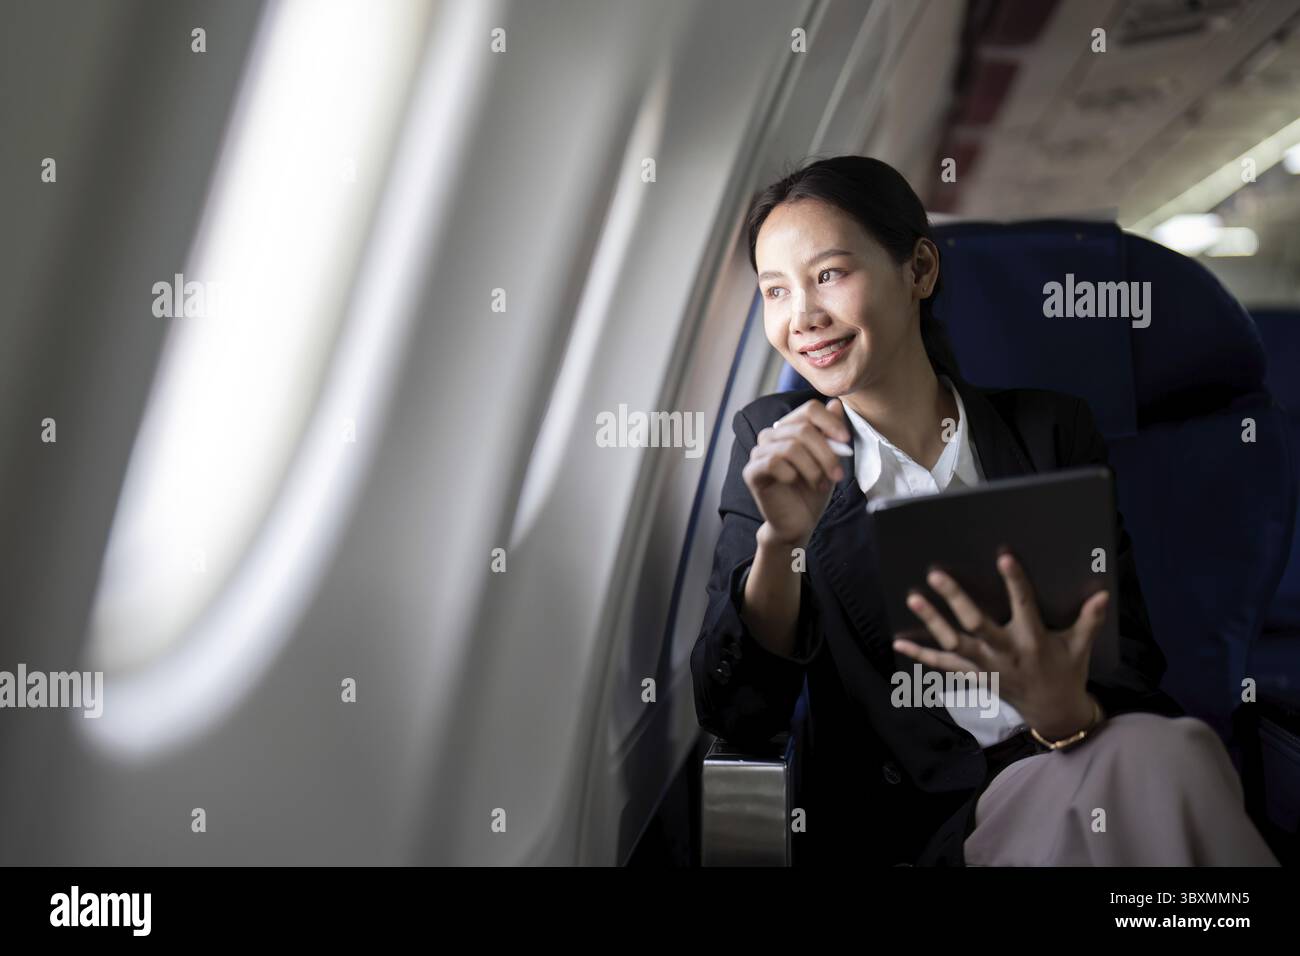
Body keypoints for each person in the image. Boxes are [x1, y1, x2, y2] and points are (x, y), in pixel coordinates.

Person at [690, 155, 1279, 866]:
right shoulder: (773, 438)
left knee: (1164, 750)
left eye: (829, 275)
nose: (803, 317)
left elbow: (1128, 661)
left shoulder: (1049, 429)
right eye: (775, 291)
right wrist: (783, 542)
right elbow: (739, 712)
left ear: (920, 272)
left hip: (1076, 761)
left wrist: (1063, 713)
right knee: (1174, 758)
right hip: (921, 828)